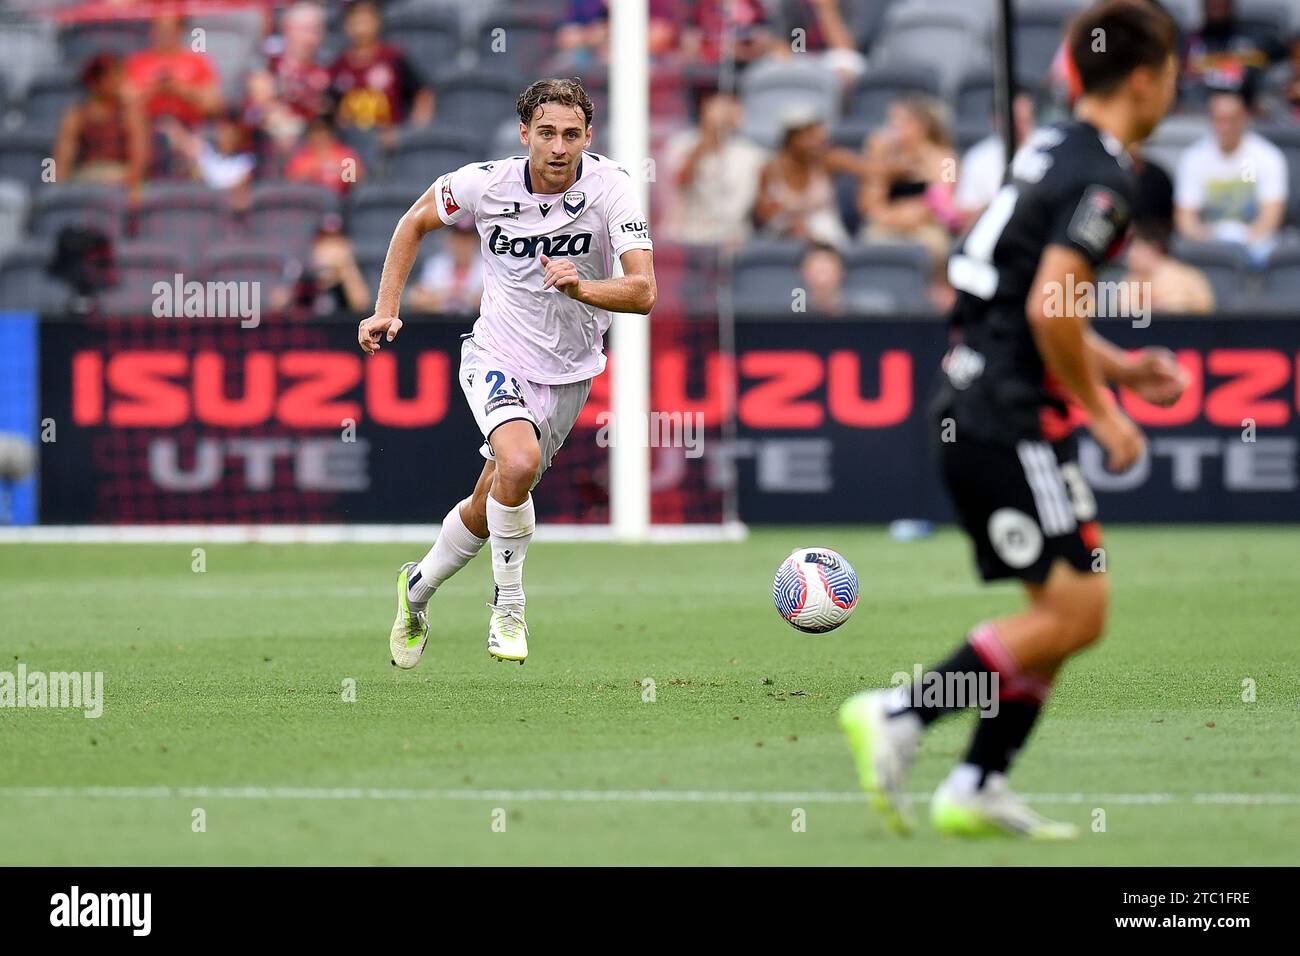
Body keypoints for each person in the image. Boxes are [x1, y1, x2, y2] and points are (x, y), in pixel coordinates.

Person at [839, 0, 1188, 839]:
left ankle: (976, 783)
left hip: (983, 396)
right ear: (1145, 78)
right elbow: (1047, 307)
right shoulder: (1108, 178)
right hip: (1008, 416)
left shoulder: (1054, 147)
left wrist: (1118, 366)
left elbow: (1025, 298)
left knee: (1063, 613)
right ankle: (902, 713)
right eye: (1173, 67)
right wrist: (1104, 411)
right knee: (1076, 614)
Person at [357, 78, 655, 667]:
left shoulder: (612, 188)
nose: (558, 147)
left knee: (495, 494)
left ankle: (417, 588)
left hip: (570, 371)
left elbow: (644, 291)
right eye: (546, 133)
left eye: (572, 134)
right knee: (516, 463)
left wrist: (582, 284)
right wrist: (386, 308)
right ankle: (510, 607)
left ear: (588, 137)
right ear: (525, 136)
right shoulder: (483, 184)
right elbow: (413, 222)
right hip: (495, 353)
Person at [1174, 85, 1287, 267]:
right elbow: (1185, 218)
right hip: (1207, 243)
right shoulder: (1193, 157)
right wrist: (1209, 241)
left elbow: (1271, 215)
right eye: (1219, 120)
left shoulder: (1268, 156)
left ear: (1244, 117)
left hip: (1255, 245)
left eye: (1231, 119)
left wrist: (1244, 244)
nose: (1225, 127)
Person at [664, 90, 766, 246]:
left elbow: (737, 210)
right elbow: (677, 186)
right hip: (686, 235)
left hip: (730, 240)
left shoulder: (752, 155)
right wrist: (706, 140)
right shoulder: (680, 144)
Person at [329, 0, 433, 145]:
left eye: (366, 19)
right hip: (351, 143)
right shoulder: (338, 64)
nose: (361, 26)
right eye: (356, 20)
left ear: (377, 22)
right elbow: (331, 105)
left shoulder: (393, 58)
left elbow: (423, 94)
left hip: (388, 141)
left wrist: (412, 132)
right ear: (346, 25)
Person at [754, 108, 861, 246]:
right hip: (784, 239)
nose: (816, 139)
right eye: (808, 135)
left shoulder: (828, 161)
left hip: (827, 238)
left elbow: (870, 170)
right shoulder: (769, 169)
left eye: (816, 132)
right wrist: (784, 218)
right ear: (791, 139)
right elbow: (763, 215)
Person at [53, 52, 148, 193]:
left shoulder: (129, 113)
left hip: (121, 178)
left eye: (120, 76)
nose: (120, 81)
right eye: (114, 77)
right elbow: (63, 158)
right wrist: (58, 190)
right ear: (96, 82)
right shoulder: (77, 115)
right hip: (88, 177)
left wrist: (129, 185)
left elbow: (139, 158)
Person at [955, 91, 1038, 231]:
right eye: (1017, 120)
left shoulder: (1046, 150)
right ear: (996, 120)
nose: (1022, 127)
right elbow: (964, 213)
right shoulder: (978, 158)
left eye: (1027, 120)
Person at [1121, 220, 1216, 314]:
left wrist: (1177, 306)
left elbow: (1206, 309)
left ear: (1154, 248)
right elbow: (1122, 312)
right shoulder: (1131, 279)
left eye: (1136, 249)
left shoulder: (1189, 277)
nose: (1130, 255)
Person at [407, 218, 484, 314]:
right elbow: (415, 300)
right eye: (457, 238)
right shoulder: (436, 265)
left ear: (477, 240)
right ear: (448, 240)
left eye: (467, 239)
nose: (462, 245)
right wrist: (449, 294)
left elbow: (497, 304)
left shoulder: (487, 266)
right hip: (441, 325)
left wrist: (465, 297)